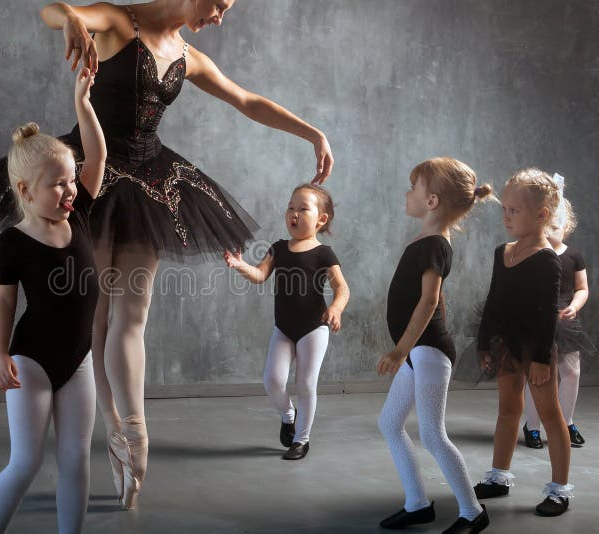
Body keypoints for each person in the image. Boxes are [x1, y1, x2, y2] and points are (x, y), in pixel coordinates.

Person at [0, 0, 335, 509]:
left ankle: (134, 431)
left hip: (151, 184)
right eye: (219, 4)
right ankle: (112, 426)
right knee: (96, 315)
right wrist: (71, 19)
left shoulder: (189, 56)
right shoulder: (118, 20)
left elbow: (246, 100)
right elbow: (53, 11)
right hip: (92, 177)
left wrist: (312, 132)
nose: (220, 17)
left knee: (133, 315)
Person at [0, 67, 105, 534]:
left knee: (76, 459)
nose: (70, 190)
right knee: (26, 461)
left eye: (72, 180)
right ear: (26, 191)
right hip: (30, 363)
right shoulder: (13, 242)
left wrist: (83, 104)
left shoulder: (81, 214)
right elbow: (4, 303)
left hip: (78, 361)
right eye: (58, 184)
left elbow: (99, 154)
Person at [376, 158, 492, 532]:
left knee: (431, 434)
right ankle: (417, 504)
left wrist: (400, 350)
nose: (407, 193)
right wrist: (407, 350)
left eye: (414, 188)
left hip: (426, 352)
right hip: (419, 352)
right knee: (390, 423)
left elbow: (428, 301)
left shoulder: (434, 245)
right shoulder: (429, 242)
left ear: (432, 201)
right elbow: (436, 300)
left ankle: (472, 512)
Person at [473, 168, 573, 517]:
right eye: (504, 208)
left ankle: (559, 490)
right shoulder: (503, 251)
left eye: (514, 211)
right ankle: (498, 476)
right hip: (505, 344)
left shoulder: (547, 259)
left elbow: (547, 312)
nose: (506, 216)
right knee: (508, 409)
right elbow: (492, 299)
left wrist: (542, 358)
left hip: (535, 347)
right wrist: (484, 342)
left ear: (542, 215)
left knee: (550, 414)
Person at [224, 184, 349, 460]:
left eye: (303, 209)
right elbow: (259, 275)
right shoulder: (278, 248)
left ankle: (301, 440)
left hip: (314, 328)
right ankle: (288, 414)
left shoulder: (324, 253)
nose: (294, 213)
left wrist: (336, 309)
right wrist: (240, 265)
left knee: (306, 384)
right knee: (272, 380)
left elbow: (342, 288)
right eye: (290, 207)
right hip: (284, 328)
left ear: (321, 219)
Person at [522, 178, 593, 449]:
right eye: (547, 227)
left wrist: (575, 305)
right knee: (537, 376)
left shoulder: (574, 256)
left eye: (557, 227)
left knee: (571, 372)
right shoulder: (532, 254)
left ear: (567, 226)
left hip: (565, 322)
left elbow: (582, 288)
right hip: (536, 321)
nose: (551, 232)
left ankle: (566, 422)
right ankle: (532, 426)